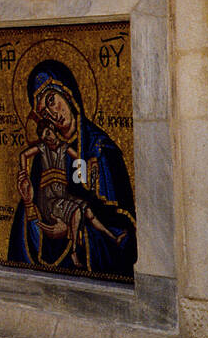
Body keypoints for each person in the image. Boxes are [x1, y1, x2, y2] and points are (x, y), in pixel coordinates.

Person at [8, 59, 137, 277]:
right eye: (43, 112)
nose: (52, 113)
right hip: (56, 244)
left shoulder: (100, 149)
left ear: (67, 92)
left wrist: (71, 230)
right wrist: (30, 202)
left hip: (94, 246)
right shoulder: (44, 155)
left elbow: (125, 222)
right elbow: (35, 216)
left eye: (51, 100)